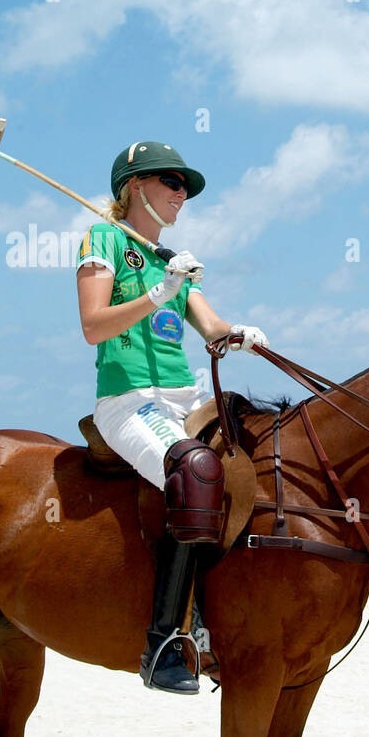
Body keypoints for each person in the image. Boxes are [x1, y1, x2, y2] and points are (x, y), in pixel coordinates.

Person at [75, 140, 268, 693]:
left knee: (260, 452)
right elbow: (93, 325)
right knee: (196, 472)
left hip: (184, 397)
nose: (182, 194)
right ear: (136, 187)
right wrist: (160, 293)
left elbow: (209, 327)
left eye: (185, 186)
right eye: (172, 183)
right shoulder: (103, 239)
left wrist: (237, 334)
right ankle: (165, 644)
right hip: (129, 399)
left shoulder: (175, 262)